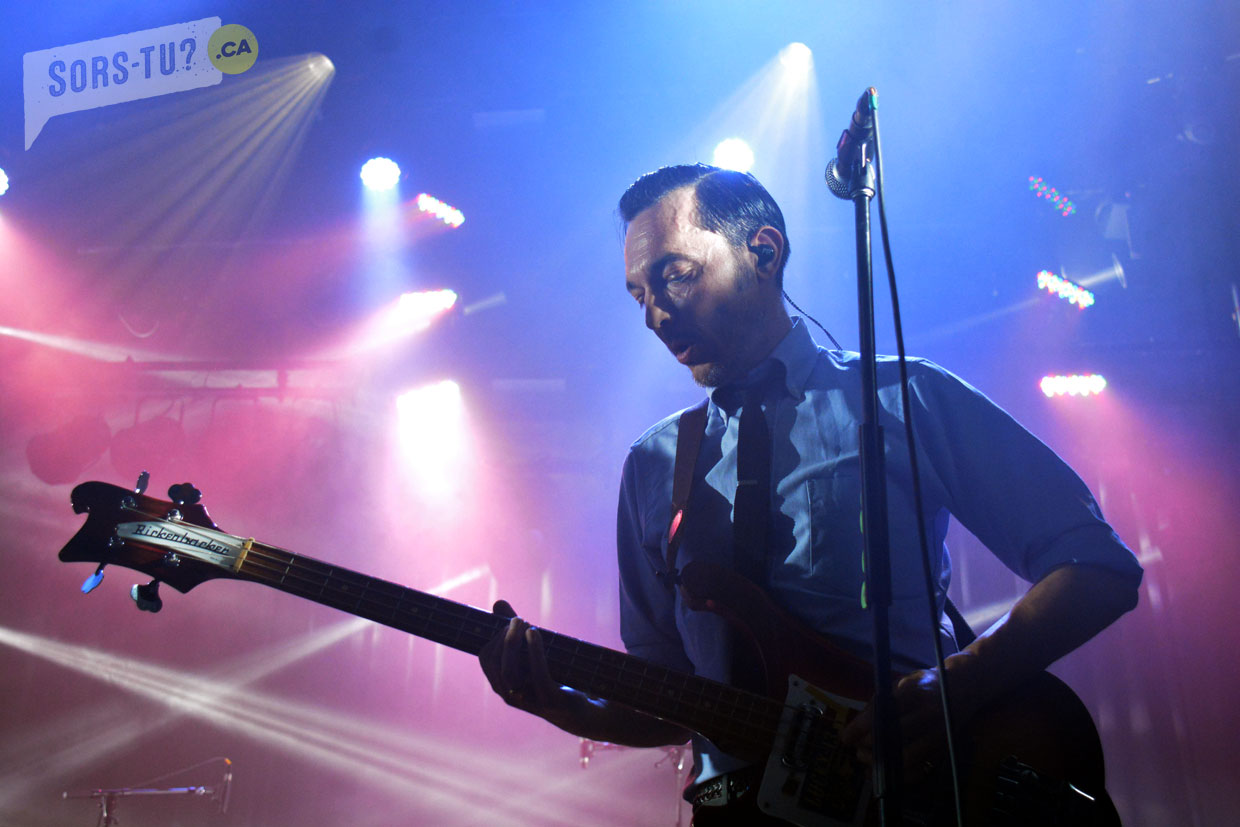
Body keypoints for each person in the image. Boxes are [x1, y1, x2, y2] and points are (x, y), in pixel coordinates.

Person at [479, 164, 1143, 824]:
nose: (654, 314)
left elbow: (1097, 565)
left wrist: (955, 685)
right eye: (637, 293)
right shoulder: (652, 465)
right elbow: (671, 693)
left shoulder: (903, 399)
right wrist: (565, 705)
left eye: (676, 275)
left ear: (763, 251)